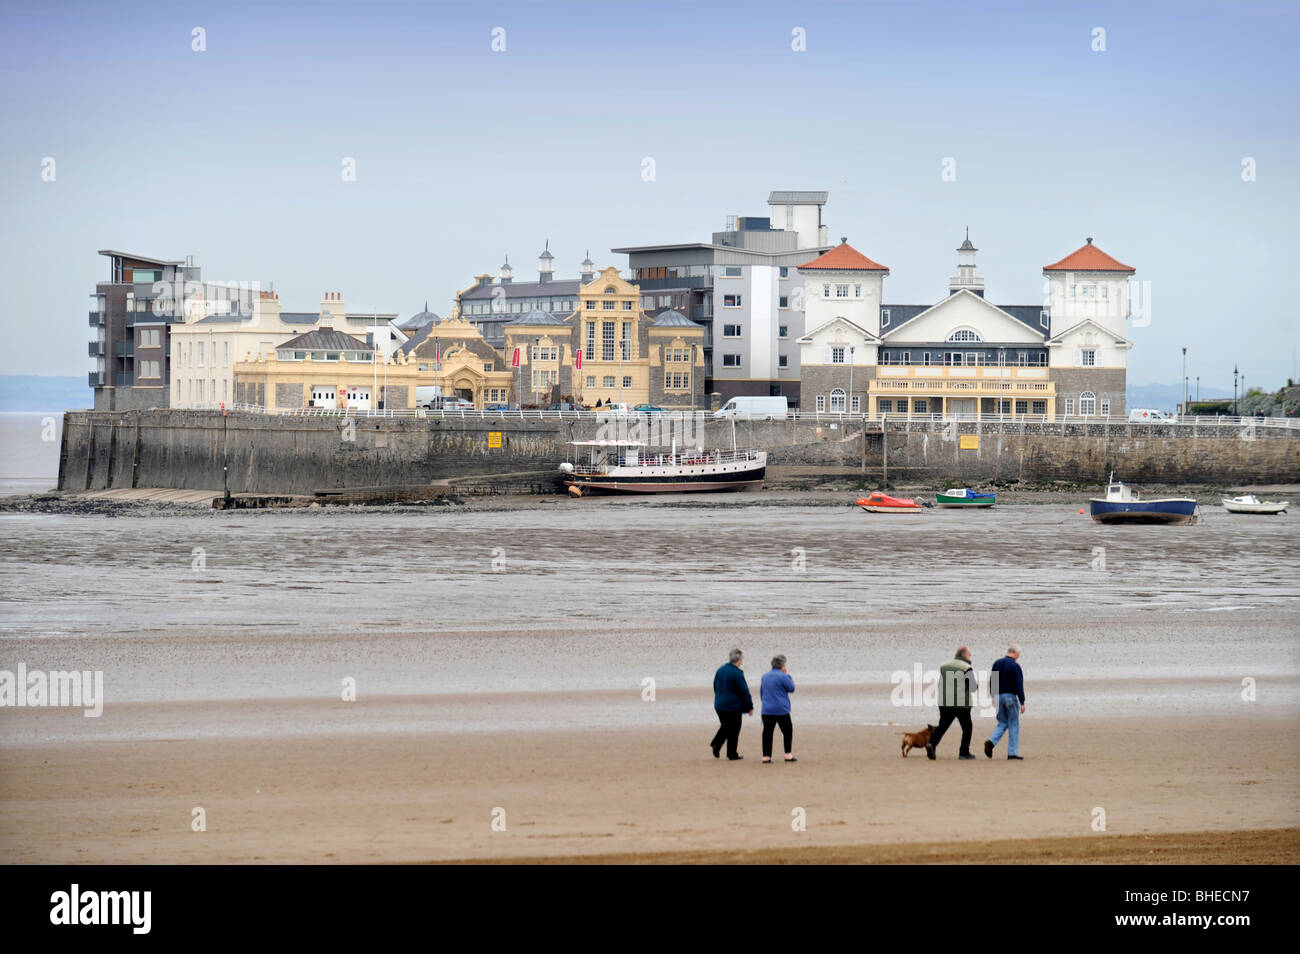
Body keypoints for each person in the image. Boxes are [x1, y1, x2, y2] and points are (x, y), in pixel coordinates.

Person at [926, 646, 977, 760]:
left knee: (942, 726)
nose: (970, 656)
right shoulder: (967, 667)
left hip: (944, 702)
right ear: (964, 655)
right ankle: (963, 752)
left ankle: (931, 743)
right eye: (969, 654)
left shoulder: (944, 666)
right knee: (967, 727)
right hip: (961, 703)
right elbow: (973, 687)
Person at [711, 648, 753, 760]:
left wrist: (720, 697)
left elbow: (715, 686)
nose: (742, 661)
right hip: (732, 707)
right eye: (742, 659)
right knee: (734, 728)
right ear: (738, 660)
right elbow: (744, 691)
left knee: (726, 726)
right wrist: (749, 706)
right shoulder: (737, 673)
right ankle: (731, 753)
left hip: (719, 705)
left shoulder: (720, 670)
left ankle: (718, 745)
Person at [986, 644, 1026, 760]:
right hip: (1010, 696)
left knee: (1002, 722)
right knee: (1013, 724)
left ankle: (991, 741)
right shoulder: (1015, 666)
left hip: (998, 696)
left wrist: (993, 696)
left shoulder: (997, 663)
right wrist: (1022, 702)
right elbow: (1018, 685)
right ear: (1016, 653)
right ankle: (1012, 752)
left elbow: (992, 680)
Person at [759, 655, 797, 763]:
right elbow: (791, 688)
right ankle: (788, 754)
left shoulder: (765, 676)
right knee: (787, 731)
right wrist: (788, 675)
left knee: (767, 732)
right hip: (781, 709)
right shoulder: (783, 676)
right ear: (782, 665)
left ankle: (766, 756)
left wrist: (765, 703)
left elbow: (762, 693)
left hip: (767, 709)